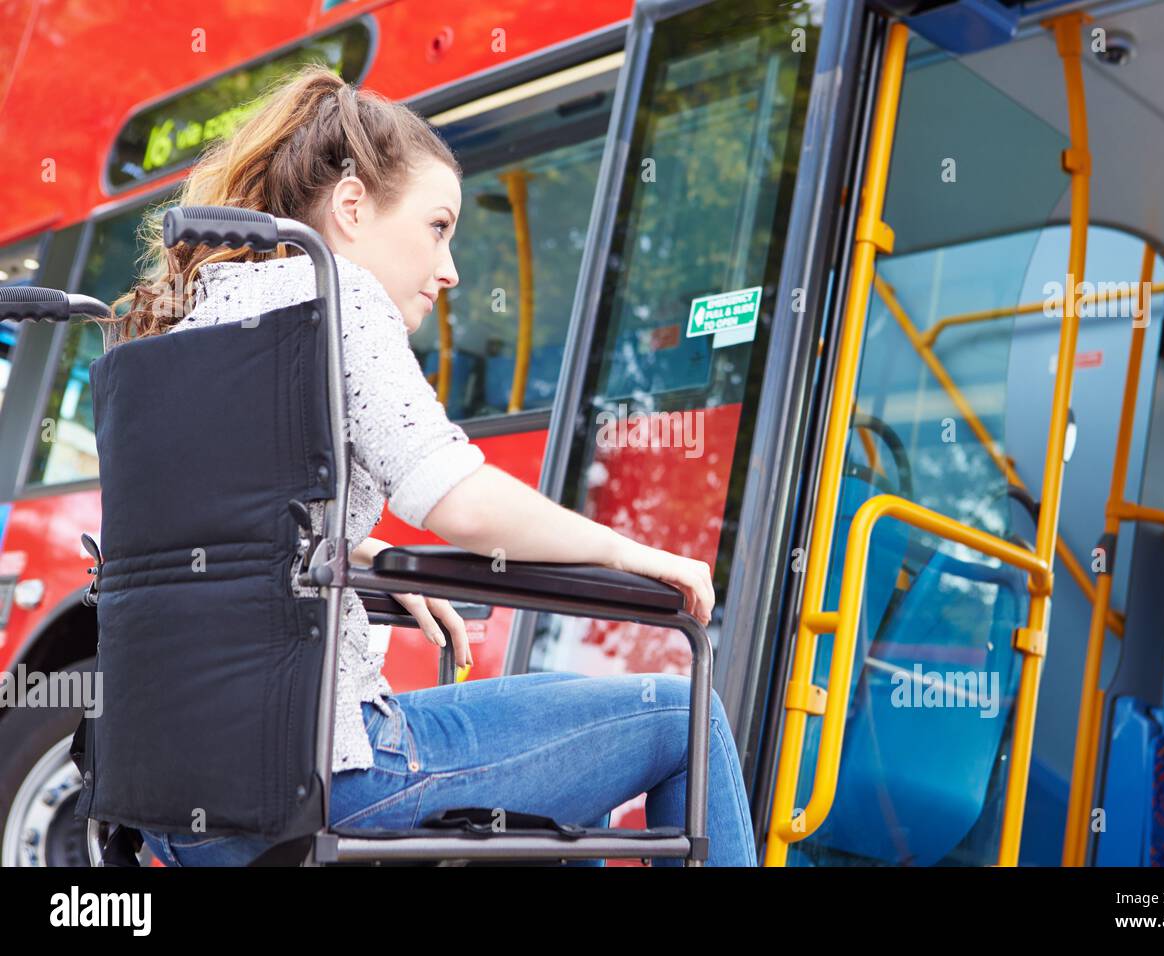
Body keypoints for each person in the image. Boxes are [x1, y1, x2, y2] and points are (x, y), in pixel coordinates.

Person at [102, 65, 757, 867]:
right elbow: (457, 499)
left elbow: (213, 534)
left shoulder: (189, 327)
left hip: (180, 805)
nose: (450, 272)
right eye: (439, 227)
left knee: (556, 720)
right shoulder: (332, 293)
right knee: (680, 711)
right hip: (335, 776)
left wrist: (359, 551)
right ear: (351, 209)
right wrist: (631, 551)